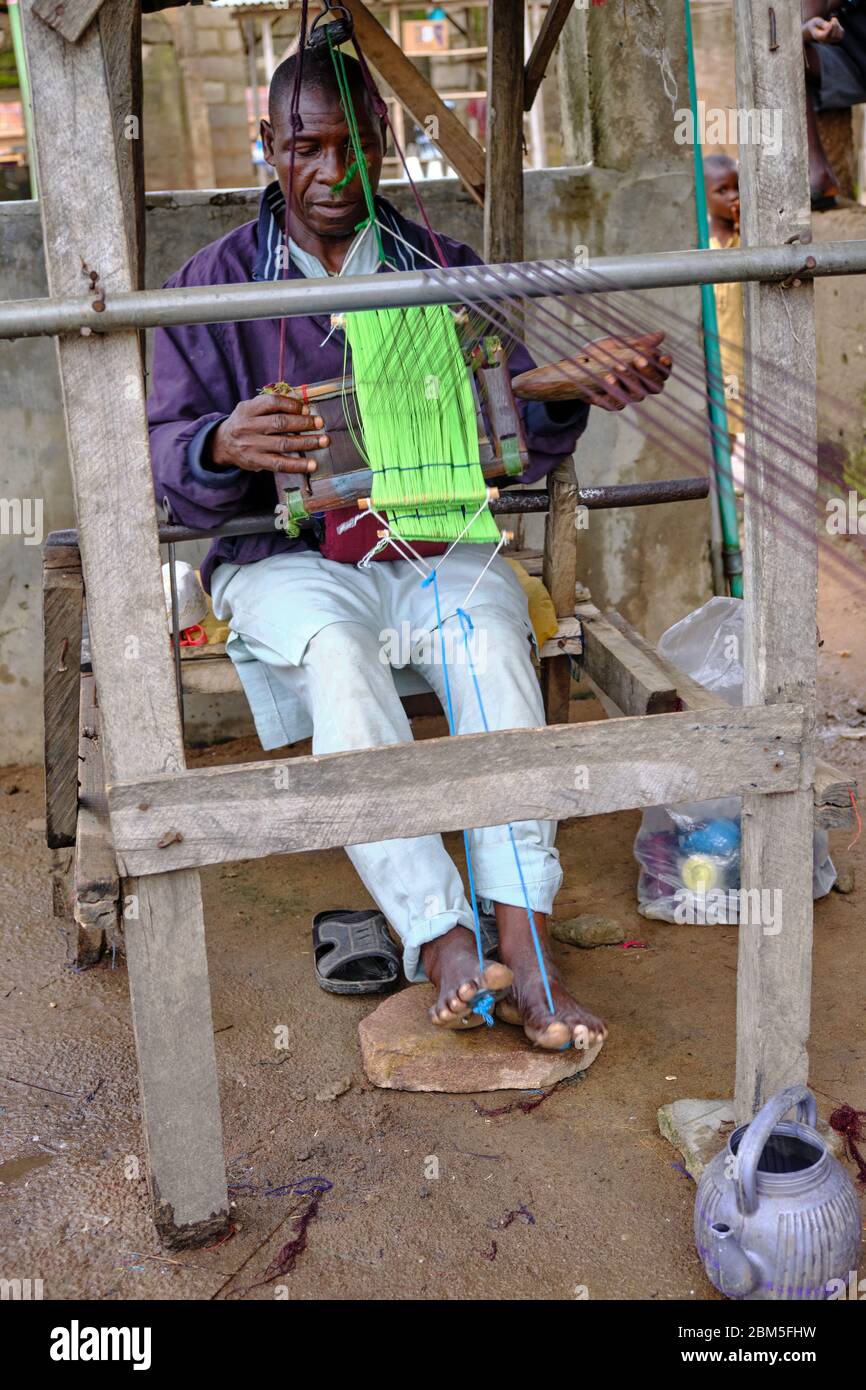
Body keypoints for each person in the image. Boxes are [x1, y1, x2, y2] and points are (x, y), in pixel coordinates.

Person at [147, 50, 673, 1053]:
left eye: (353, 148)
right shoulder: (205, 288)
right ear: (269, 148)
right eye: (304, 147)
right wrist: (218, 443)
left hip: (434, 544)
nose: (332, 173)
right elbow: (163, 460)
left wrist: (562, 388)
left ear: (384, 149)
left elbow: (511, 434)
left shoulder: (447, 270)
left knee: (486, 635)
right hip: (284, 562)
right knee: (339, 661)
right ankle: (437, 935)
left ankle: (520, 939)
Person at [704, 154, 744, 488]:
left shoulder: (747, 242)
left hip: (750, 362)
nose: (733, 196)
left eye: (737, 188)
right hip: (719, 364)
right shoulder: (703, 248)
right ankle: (726, 505)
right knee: (723, 436)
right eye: (722, 190)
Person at [802, 0, 866, 207]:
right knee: (779, 50)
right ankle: (819, 175)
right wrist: (810, 31)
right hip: (849, 63)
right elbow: (804, 21)